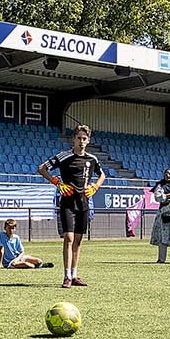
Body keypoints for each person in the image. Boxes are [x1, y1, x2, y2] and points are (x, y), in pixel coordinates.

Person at [39, 123, 104, 288]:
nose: (81, 141)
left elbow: (102, 175)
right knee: (68, 238)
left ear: (88, 141)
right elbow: (42, 168)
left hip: (83, 203)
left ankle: (75, 275)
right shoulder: (64, 156)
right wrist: (57, 182)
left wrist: (95, 187)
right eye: (79, 138)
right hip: (67, 202)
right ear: (73, 139)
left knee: (78, 240)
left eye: (84, 138)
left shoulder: (92, 159)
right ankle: (66, 275)